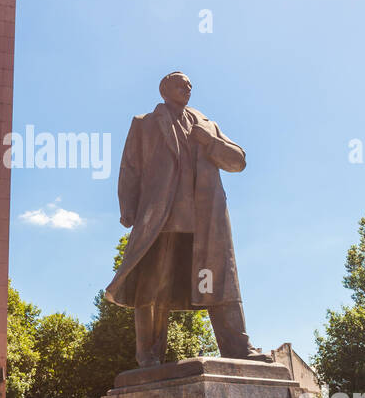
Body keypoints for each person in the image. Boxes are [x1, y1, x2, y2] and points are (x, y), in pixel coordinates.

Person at [106, 72, 271, 366]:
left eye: (190, 85)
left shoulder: (206, 124)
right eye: (181, 84)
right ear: (164, 89)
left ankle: (238, 347)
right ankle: (149, 356)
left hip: (206, 218)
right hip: (163, 217)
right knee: (153, 287)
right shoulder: (144, 123)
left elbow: (238, 161)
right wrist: (128, 207)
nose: (188, 88)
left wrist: (210, 143)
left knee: (220, 282)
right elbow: (130, 167)